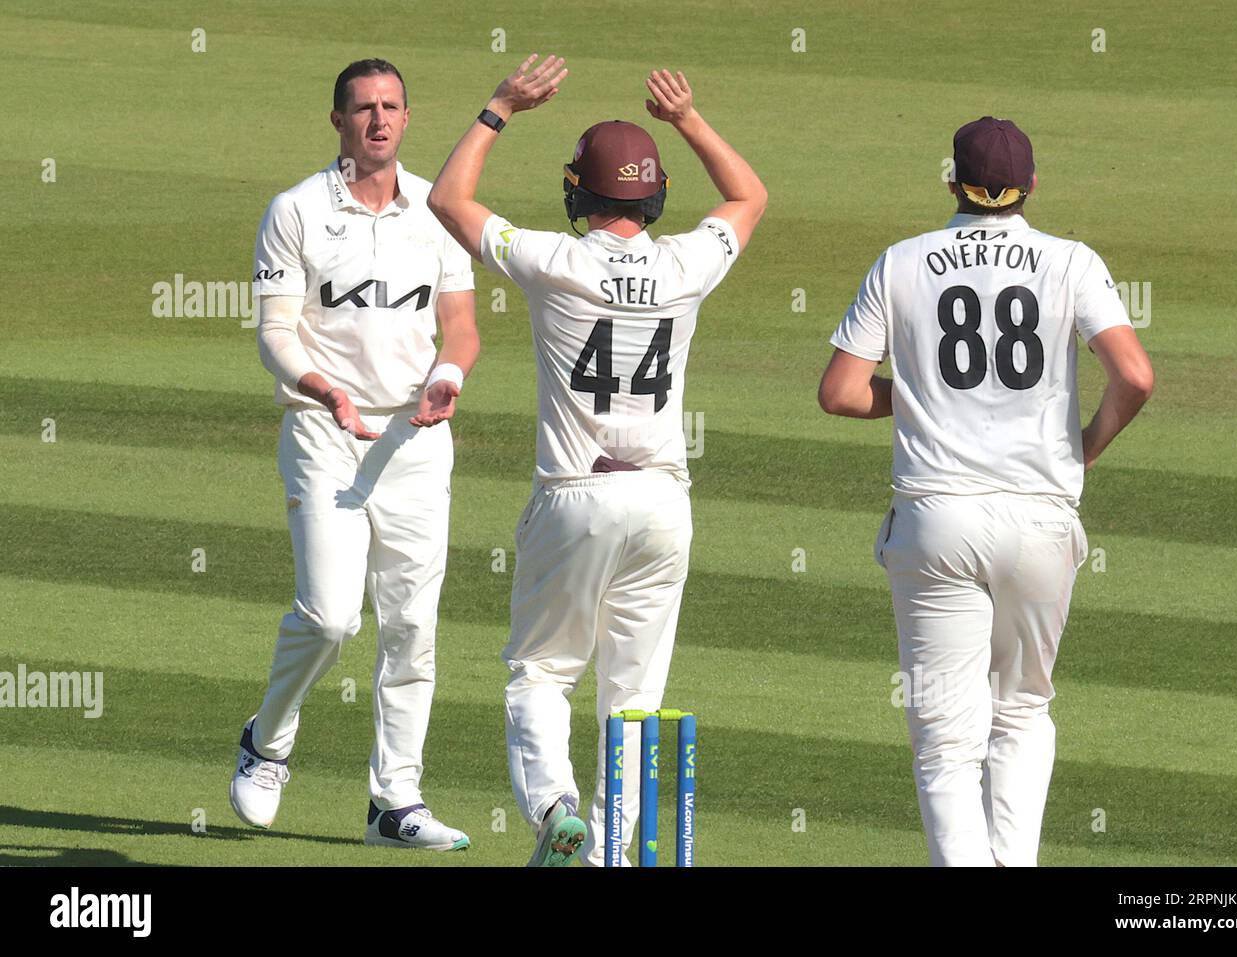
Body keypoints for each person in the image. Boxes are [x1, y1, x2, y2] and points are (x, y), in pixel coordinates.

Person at [428, 57, 766, 865]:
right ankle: (617, 852)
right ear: (652, 196)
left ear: (580, 193)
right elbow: (749, 195)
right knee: (636, 700)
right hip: (662, 502)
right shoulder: (687, 263)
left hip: (576, 493)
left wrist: (501, 108)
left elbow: (447, 199)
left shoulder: (555, 260)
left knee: (541, 670)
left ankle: (554, 806)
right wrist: (688, 118)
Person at [818, 116, 1154, 866]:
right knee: (1024, 711)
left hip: (937, 520)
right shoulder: (1071, 260)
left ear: (952, 183)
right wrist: (1085, 448)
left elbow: (840, 393)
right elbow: (1135, 376)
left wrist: (923, 398)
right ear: (1030, 187)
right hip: (1041, 519)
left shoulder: (902, 261)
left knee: (944, 742)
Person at [230, 58, 479, 852]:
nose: (378, 120)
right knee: (331, 616)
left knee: (412, 624)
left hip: (416, 438)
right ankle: (267, 741)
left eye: (391, 107)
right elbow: (274, 330)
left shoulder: (440, 212)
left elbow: (463, 326)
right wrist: (325, 388)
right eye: (363, 108)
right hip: (323, 432)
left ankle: (394, 800)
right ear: (337, 120)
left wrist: (447, 374)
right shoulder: (296, 210)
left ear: (408, 118)